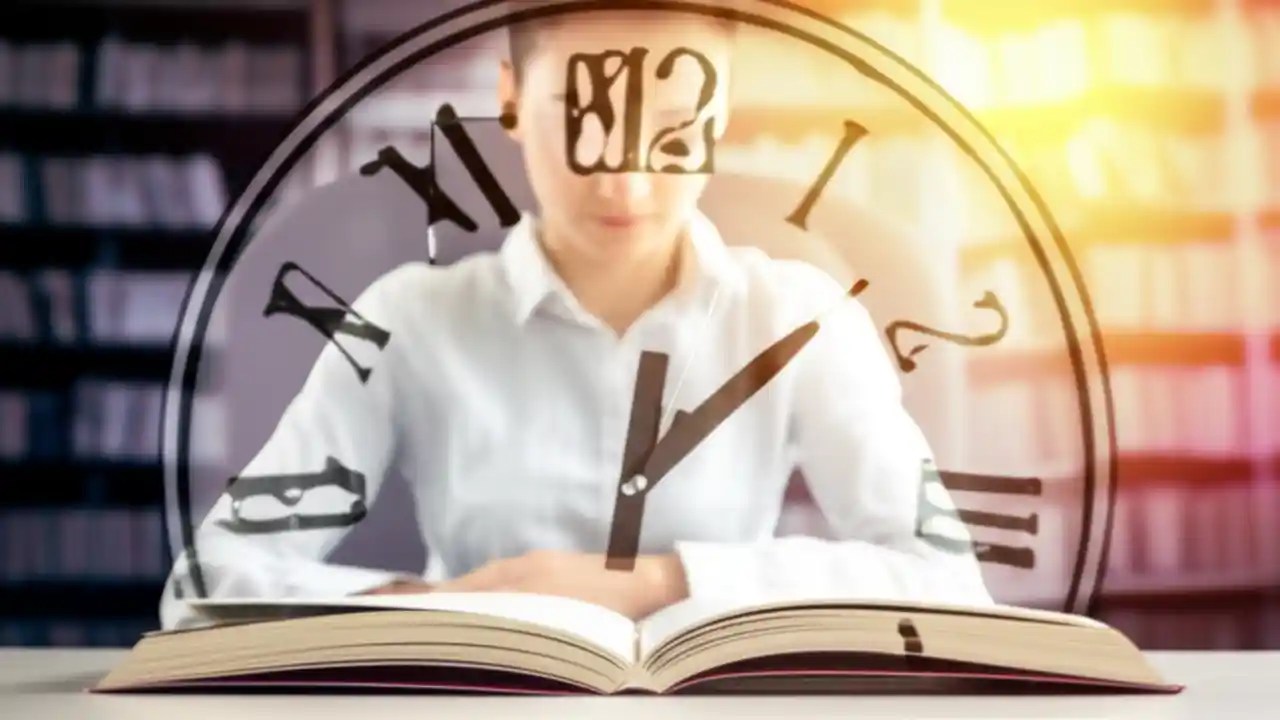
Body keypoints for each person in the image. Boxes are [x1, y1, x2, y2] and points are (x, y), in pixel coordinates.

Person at [160, 5, 994, 631]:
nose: (624, 184)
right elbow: (210, 580)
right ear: (513, 100)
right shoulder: (408, 321)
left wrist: (656, 583)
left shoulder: (799, 316)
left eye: (669, 130)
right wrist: (448, 605)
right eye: (581, 123)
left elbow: (949, 585)